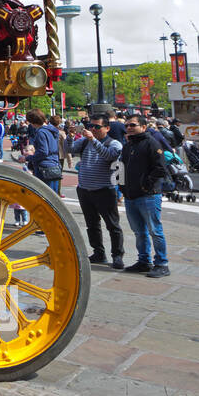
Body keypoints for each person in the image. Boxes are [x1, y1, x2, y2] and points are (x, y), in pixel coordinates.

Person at [120, 114, 171, 277]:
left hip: (148, 195)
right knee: (139, 231)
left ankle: (162, 263)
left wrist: (146, 184)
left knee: (154, 230)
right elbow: (121, 166)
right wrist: (122, 186)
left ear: (143, 127)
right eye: (127, 125)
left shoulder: (151, 143)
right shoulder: (128, 145)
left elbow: (160, 168)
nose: (129, 128)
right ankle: (143, 261)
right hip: (131, 194)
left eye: (132, 125)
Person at [72, 119, 125, 268]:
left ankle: (117, 255)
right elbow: (69, 149)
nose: (93, 129)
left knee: (112, 225)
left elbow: (109, 156)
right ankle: (99, 253)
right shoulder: (84, 142)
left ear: (107, 128)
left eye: (97, 126)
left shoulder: (114, 143)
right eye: (91, 126)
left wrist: (92, 139)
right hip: (85, 190)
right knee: (92, 224)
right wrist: (69, 136)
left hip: (104, 190)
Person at [24, 109, 62, 193]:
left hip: (44, 169)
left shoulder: (41, 132)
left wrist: (28, 158)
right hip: (55, 166)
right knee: (53, 198)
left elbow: (43, 152)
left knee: (44, 198)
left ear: (33, 122)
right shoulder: (52, 131)